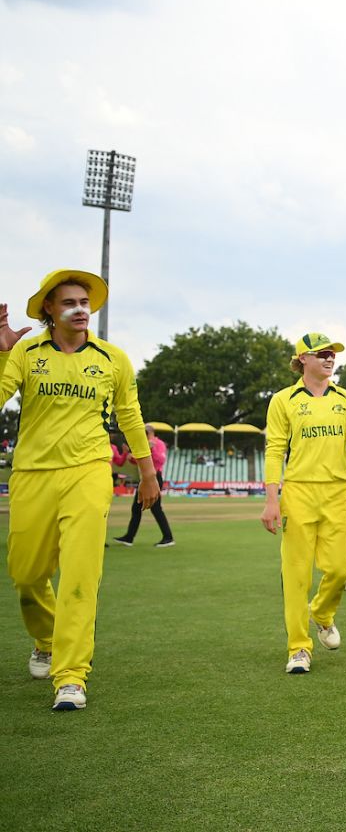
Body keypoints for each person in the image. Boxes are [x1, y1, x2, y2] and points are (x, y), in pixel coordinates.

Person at [0, 270, 160, 711]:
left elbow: (129, 414)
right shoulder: (26, 353)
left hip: (90, 470)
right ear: (49, 309)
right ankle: (45, 640)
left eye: (85, 302)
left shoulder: (112, 359)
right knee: (27, 577)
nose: (80, 309)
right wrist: (0, 353)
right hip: (32, 473)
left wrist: (147, 472)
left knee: (79, 576)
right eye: (69, 301)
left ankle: (71, 676)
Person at [260, 333, 346, 675]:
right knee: (296, 577)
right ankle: (298, 648)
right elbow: (275, 449)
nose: (329, 358)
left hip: (338, 495)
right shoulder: (283, 400)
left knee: (339, 570)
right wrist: (271, 499)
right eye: (321, 353)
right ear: (302, 359)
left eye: (332, 353)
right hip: (299, 494)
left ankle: (321, 613)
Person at [113, 424, 176, 547]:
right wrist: (131, 457)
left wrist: (151, 448)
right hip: (146, 478)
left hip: (154, 477)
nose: (145, 435)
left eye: (146, 433)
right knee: (137, 508)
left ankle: (168, 537)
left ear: (151, 433)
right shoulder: (144, 443)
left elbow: (160, 460)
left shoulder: (159, 444)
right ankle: (129, 537)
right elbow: (139, 460)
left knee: (155, 508)